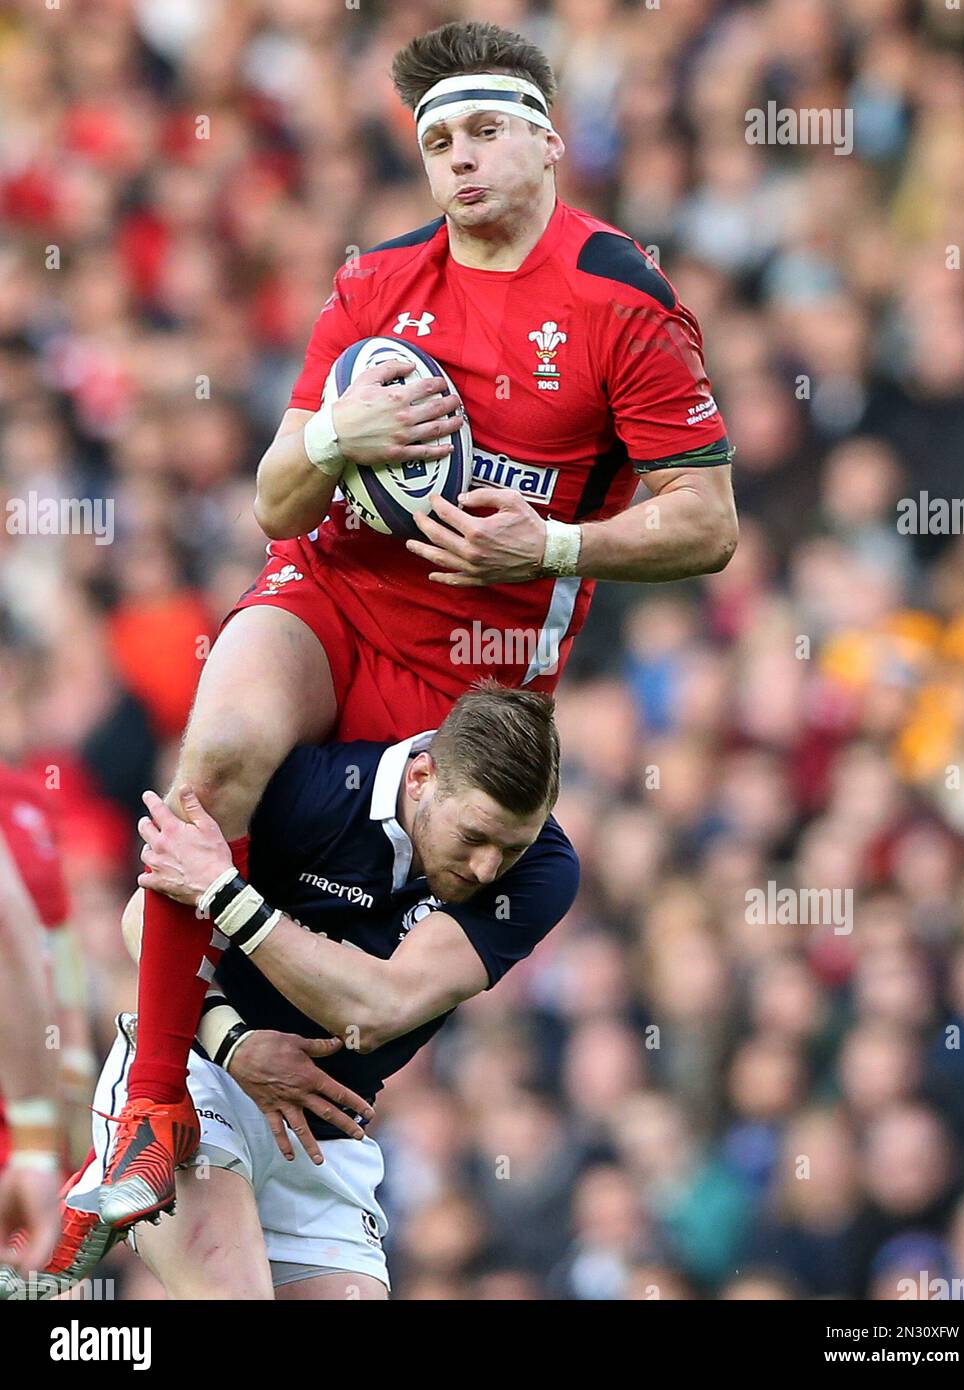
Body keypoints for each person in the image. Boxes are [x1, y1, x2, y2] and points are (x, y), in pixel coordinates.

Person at [101, 18, 736, 1231]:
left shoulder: (625, 301)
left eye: (487, 129)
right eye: (438, 138)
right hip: (331, 595)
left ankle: (293, 1145)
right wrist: (338, 439)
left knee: (375, 961)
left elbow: (705, 522)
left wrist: (547, 545)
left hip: (480, 669)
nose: (460, 157)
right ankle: (151, 1105)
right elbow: (273, 500)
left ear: (549, 142)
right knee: (218, 766)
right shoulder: (376, 283)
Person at [33, 683, 578, 1299]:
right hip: (200, 1078)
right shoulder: (309, 788)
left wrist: (228, 897)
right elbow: (143, 922)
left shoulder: (545, 870)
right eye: (475, 836)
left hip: (323, 1137)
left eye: (511, 847)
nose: (487, 869)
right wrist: (233, 1043)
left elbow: (379, 1007)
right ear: (422, 776)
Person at [0, 764, 92, 1277]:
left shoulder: (26, 796)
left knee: (42, 1267)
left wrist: (74, 1061)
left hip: (24, 1067)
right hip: (22, 1094)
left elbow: (59, 933)